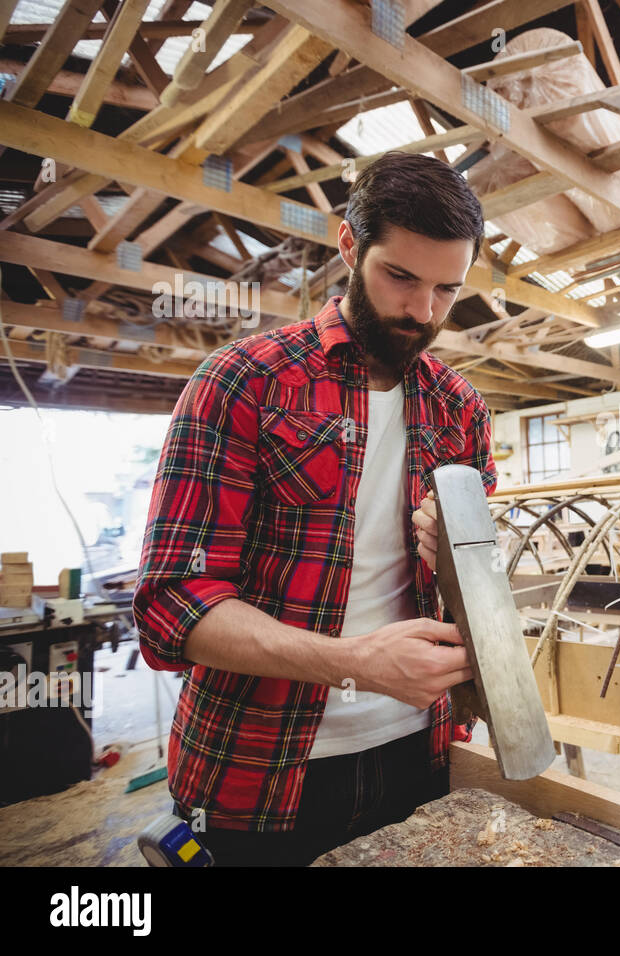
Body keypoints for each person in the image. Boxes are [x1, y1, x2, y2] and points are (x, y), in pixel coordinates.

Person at [132, 151, 497, 866]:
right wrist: (354, 661)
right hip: (256, 768)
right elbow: (174, 604)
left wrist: (458, 553)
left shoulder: (461, 409)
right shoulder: (244, 383)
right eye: (401, 278)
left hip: (419, 754)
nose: (423, 313)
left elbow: (478, 583)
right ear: (349, 246)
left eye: (447, 290)